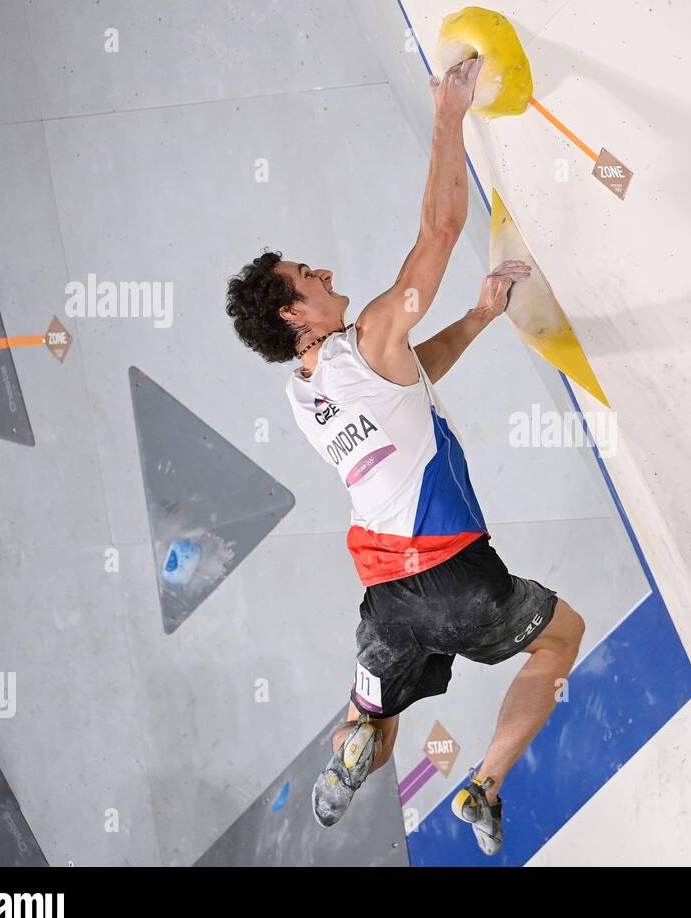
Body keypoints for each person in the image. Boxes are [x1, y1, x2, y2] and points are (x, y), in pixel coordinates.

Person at [224, 56, 584, 855]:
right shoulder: (367, 339)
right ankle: (485, 785)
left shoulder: (307, 393)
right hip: (453, 574)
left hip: (388, 596)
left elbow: (409, 383)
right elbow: (441, 232)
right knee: (560, 639)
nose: (321, 270)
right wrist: (449, 112)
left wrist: (482, 315)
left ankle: (349, 757)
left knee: (375, 723)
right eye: (303, 276)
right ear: (295, 314)